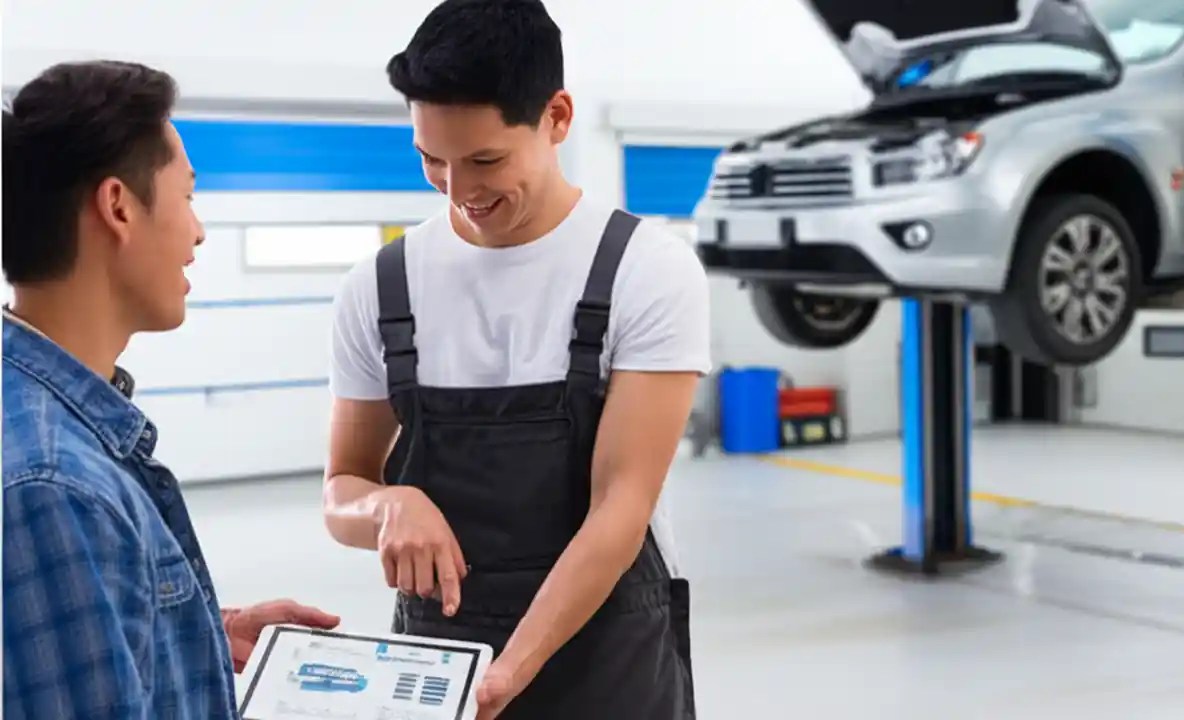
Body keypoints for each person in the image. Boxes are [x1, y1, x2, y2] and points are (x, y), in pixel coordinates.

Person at [320, 0, 711, 717]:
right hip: (441, 659)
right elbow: (341, 494)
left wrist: (506, 674)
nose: (459, 191)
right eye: (432, 160)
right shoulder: (379, 288)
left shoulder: (645, 270)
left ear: (557, 118)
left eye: (486, 160)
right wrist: (387, 503)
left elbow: (621, 507)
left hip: (609, 659)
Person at [2, 60, 342, 720]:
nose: (198, 231)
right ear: (118, 207)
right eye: (187, 197)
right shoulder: (53, 489)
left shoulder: (50, 428)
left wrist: (194, 632)